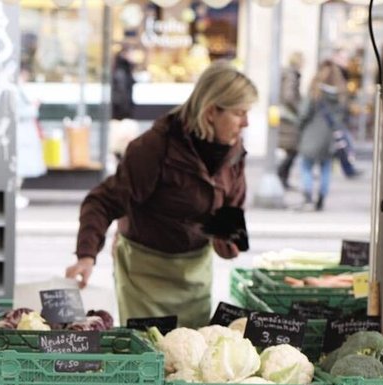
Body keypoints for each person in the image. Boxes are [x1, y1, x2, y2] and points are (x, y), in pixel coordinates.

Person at [65, 61, 255, 328]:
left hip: (194, 274)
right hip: (145, 275)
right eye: (239, 113)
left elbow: (230, 207)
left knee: (193, 350)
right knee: (150, 348)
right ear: (212, 111)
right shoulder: (154, 148)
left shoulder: (233, 152)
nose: (246, 123)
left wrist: (228, 238)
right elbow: (102, 201)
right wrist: (86, 256)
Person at [296, 62, 346, 212]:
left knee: (306, 166)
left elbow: (304, 113)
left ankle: (308, 198)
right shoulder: (340, 94)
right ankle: (321, 199)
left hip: (311, 135)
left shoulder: (315, 91)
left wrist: (299, 128)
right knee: (326, 168)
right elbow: (341, 118)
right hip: (329, 138)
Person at [15, 66, 46, 209]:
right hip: (21, 135)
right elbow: (19, 111)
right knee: (18, 168)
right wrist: (34, 107)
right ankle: (15, 195)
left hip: (23, 134)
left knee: (19, 168)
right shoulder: (15, 90)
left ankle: (16, 194)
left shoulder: (18, 89)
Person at [276, 52, 304, 189]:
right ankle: (279, 176)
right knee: (293, 150)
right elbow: (289, 96)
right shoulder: (291, 75)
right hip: (289, 118)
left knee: (291, 151)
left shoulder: (289, 73)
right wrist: (299, 109)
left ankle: (282, 178)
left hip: (286, 116)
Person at [110, 48, 136, 122]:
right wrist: (125, 109)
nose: (133, 57)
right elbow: (121, 90)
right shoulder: (121, 70)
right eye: (131, 54)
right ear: (124, 55)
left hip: (122, 107)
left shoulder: (125, 68)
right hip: (121, 109)